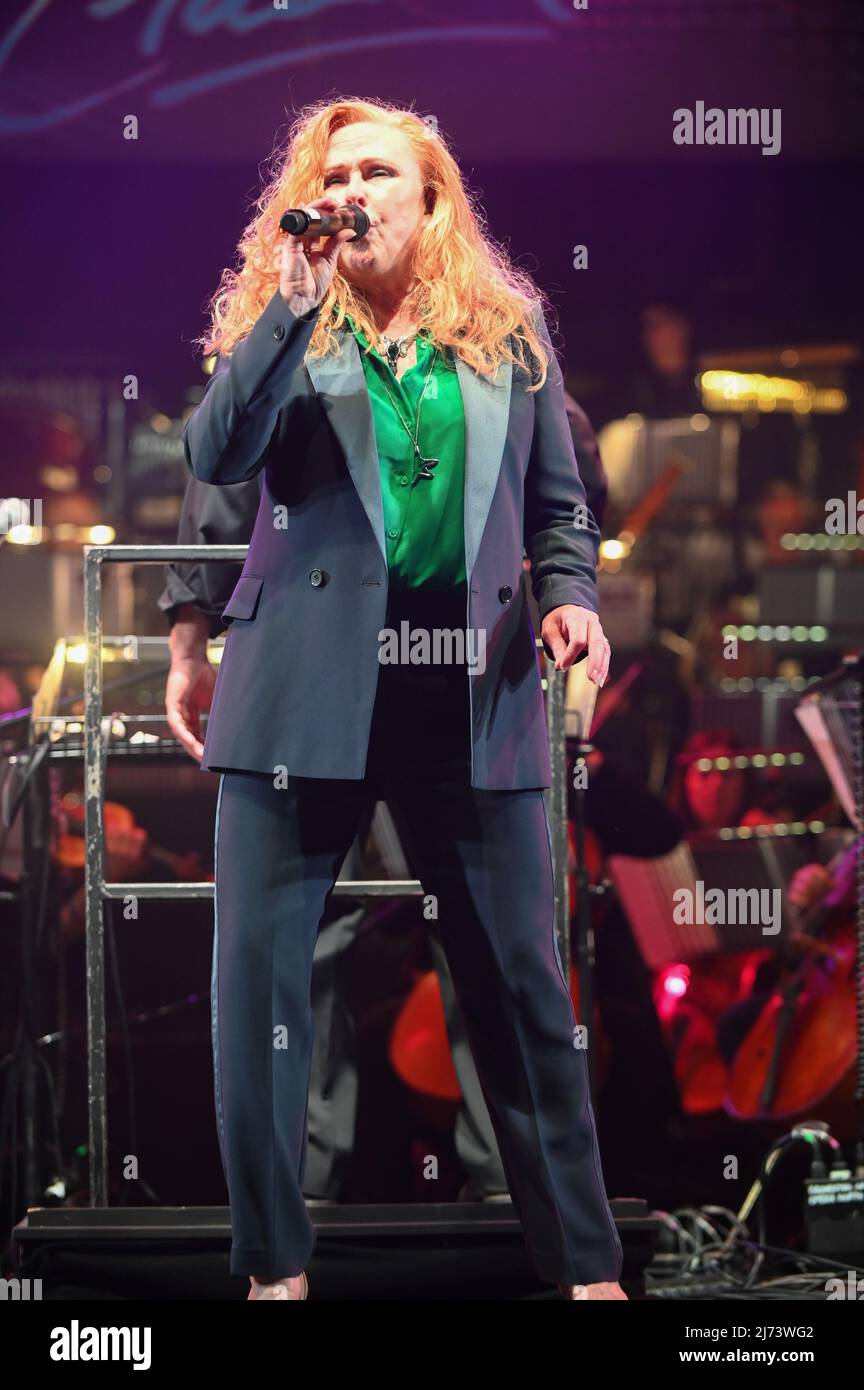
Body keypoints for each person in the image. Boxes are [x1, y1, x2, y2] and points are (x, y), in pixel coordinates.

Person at [182, 96, 623, 1301]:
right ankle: (274, 1268)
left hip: (468, 686)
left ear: (433, 201)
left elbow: (558, 507)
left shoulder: (510, 332)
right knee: (262, 995)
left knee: (523, 989)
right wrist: (290, 302)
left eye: (381, 171)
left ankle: (586, 1269)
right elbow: (214, 461)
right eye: (337, 173)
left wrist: (571, 594)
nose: (356, 190)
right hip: (302, 692)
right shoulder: (285, 322)